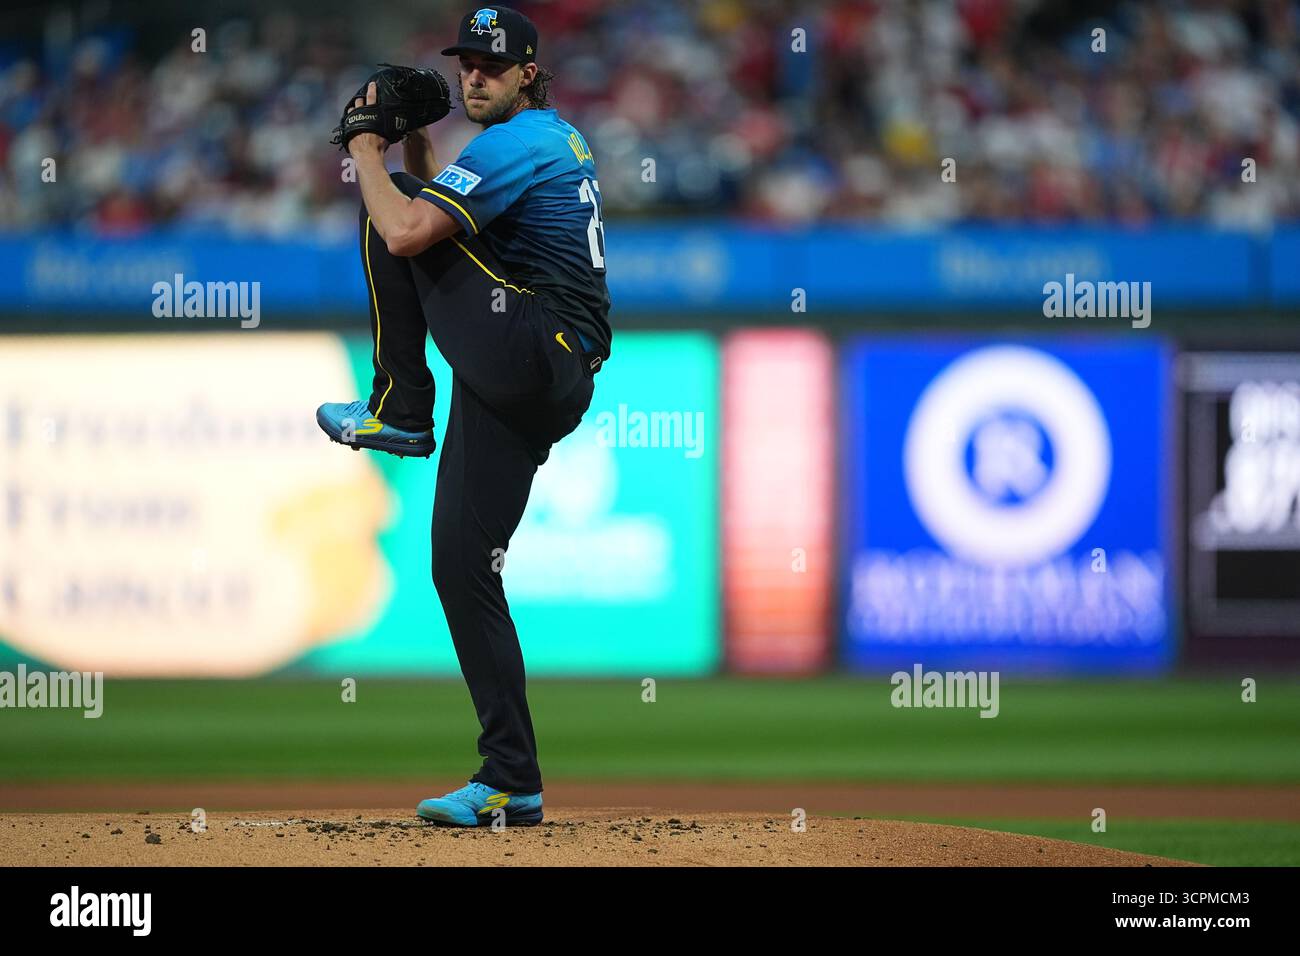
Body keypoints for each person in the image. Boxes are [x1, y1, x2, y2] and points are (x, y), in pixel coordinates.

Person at [316, 5, 611, 827]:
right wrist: (414, 153)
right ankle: (512, 779)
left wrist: (367, 150)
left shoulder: (519, 143)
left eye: (491, 65)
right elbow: (465, 237)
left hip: (534, 348)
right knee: (460, 565)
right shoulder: (545, 139)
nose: (472, 75)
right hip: (531, 369)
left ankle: (401, 408)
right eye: (465, 63)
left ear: (527, 73)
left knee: (393, 211)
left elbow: (410, 231)